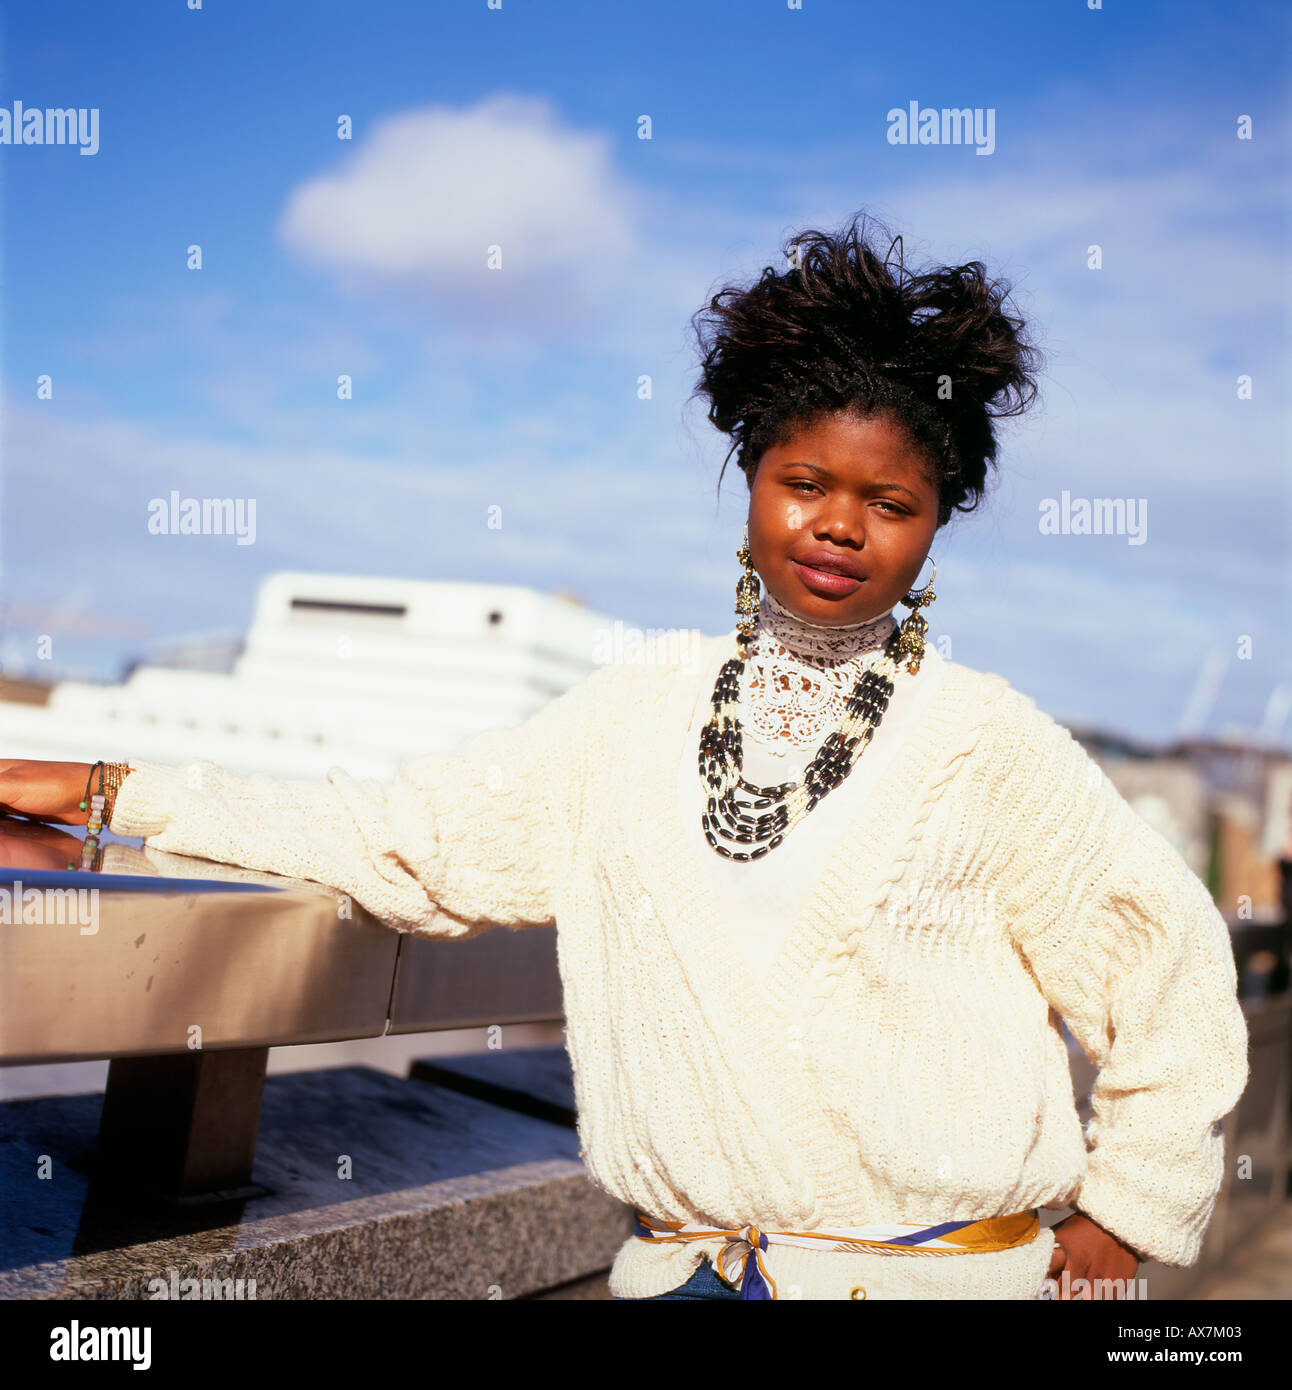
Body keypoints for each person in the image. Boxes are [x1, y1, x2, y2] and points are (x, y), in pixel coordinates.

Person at [0, 211, 1249, 1301]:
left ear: (935, 523)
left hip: (938, 1275)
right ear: (749, 478)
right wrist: (119, 790)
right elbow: (414, 836)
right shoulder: (629, 721)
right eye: (803, 481)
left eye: (889, 503)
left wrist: (1124, 1212)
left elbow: (1166, 962)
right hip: (684, 1277)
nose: (837, 526)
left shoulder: (986, 743)